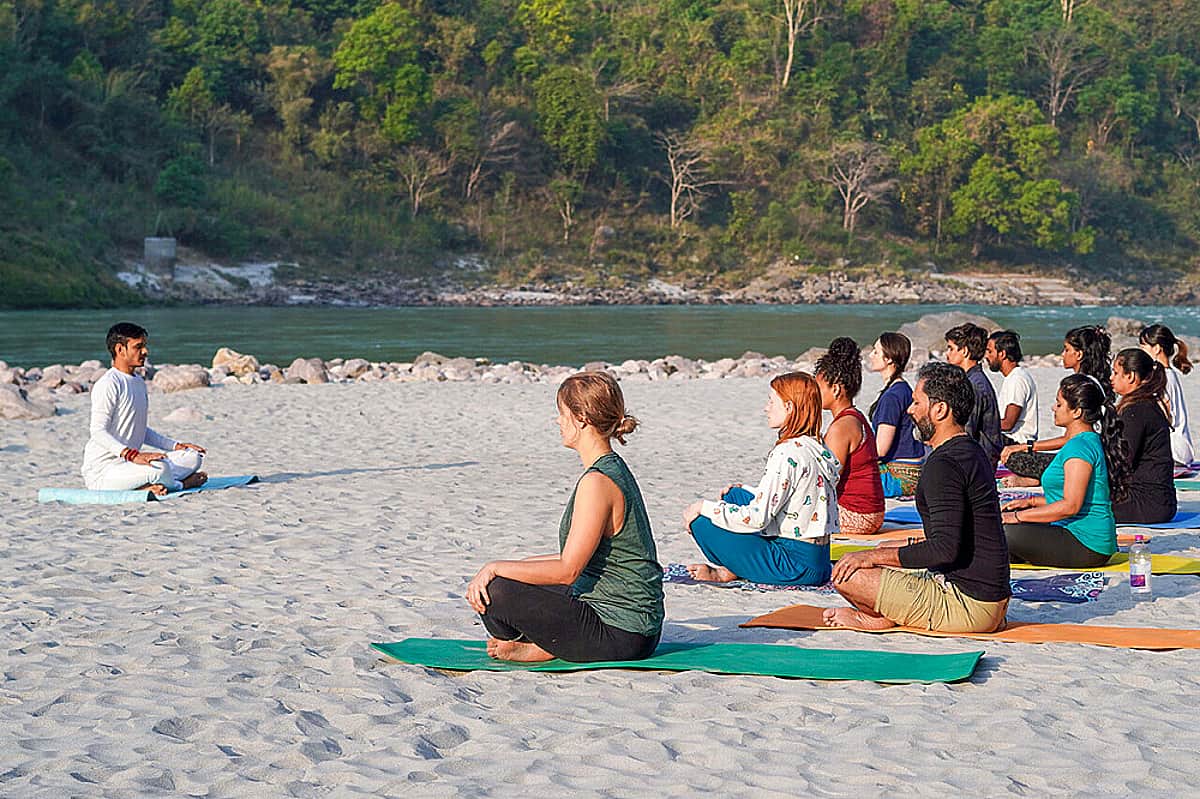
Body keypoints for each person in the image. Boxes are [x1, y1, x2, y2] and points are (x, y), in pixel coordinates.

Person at [466, 371, 663, 663]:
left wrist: (495, 569)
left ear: (581, 418)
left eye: (562, 413)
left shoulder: (597, 483)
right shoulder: (610, 469)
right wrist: (499, 568)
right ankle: (551, 644)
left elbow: (567, 570)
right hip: (630, 625)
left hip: (623, 632)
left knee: (496, 593)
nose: (558, 421)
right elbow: (569, 559)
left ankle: (545, 648)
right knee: (496, 581)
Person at [823, 363, 1011, 633]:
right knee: (870, 557)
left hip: (967, 604)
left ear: (939, 409)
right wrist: (883, 551)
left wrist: (872, 558)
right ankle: (891, 609)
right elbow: (955, 535)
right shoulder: (970, 449)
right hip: (990, 599)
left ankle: (874, 619)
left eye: (916, 402)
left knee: (847, 574)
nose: (910, 410)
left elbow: (944, 549)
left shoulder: (943, 464)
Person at [683, 372, 839, 586]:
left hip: (794, 566)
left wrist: (704, 507)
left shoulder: (787, 453)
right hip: (819, 559)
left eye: (771, 401)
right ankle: (733, 567)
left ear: (789, 408)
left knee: (700, 522)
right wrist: (744, 491)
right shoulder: (816, 447)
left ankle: (730, 570)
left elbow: (758, 518)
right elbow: (795, 497)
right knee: (734, 495)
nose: (766, 408)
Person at [1000, 375, 1131, 568]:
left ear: (1076, 411)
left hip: (1087, 545)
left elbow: (1071, 506)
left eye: (1059, 404)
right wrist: (1030, 502)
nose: (1053, 408)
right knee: (1004, 525)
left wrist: (1018, 517)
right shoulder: (1083, 441)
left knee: (1002, 531)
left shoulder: (1080, 448)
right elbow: (1077, 499)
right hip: (1075, 533)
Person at [82, 322, 207, 495]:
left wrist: (176, 446)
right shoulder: (108, 383)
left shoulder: (139, 382)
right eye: (138, 347)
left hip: (130, 466)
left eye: (144, 346)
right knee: (160, 468)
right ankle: (182, 485)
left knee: (192, 456)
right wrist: (133, 455)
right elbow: (98, 432)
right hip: (104, 471)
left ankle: (149, 484)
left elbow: (140, 429)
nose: (145, 352)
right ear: (120, 350)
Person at [1003, 325, 1113, 481]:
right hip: (1082, 451)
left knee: (1016, 458)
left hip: (1083, 457)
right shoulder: (1090, 382)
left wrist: (1027, 446)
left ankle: (1040, 479)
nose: (1062, 354)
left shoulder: (1082, 387)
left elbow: (1069, 439)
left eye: (1066, 350)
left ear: (1079, 354)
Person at [815, 337, 885, 535]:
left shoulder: (842, 427)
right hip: (871, 511)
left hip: (857, 514)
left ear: (835, 389)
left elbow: (826, 480)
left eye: (818, 388)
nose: (814, 393)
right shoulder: (855, 417)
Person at [1111, 348, 1176, 525]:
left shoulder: (1137, 410)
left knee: (1084, 507)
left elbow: (1122, 460)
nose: (1111, 378)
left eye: (1116, 373)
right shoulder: (1143, 404)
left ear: (1130, 376)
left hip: (1148, 503)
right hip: (1158, 501)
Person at [867, 332, 924, 497]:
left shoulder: (892, 396)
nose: (871, 355)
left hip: (899, 475)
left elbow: (880, 450)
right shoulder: (903, 389)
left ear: (889, 359)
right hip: (914, 468)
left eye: (876, 351)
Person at [944, 323, 1002, 469]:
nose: (947, 354)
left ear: (964, 351)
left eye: (951, 348)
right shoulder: (972, 379)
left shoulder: (974, 385)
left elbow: (967, 431)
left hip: (980, 459)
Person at [1139, 323, 1194, 467]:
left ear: (1156, 348)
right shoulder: (1169, 374)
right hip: (1180, 448)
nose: (1140, 351)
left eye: (1143, 347)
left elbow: (1164, 414)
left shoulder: (1161, 376)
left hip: (1173, 450)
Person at [985, 330, 1038, 447]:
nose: (986, 356)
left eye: (989, 351)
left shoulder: (1017, 379)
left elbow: (1008, 424)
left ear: (1002, 354)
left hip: (1017, 444)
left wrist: (982, 423)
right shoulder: (1013, 377)